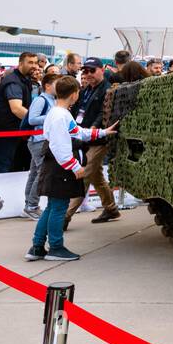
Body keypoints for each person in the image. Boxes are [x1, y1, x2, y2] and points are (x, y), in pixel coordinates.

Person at [26, 76, 117, 262]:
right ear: (75, 94)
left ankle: (37, 246)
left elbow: (78, 132)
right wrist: (75, 166)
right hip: (60, 168)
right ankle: (56, 247)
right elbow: (60, 147)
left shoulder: (59, 112)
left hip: (57, 165)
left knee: (52, 207)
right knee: (58, 208)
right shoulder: (61, 115)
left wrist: (102, 132)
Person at [65, 62, 118, 226]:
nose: (88, 74)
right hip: (84, 137)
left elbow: (104, 113)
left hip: (98, 139)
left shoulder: (107, 90)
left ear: (102, 70)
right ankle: (111, 208)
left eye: (91, 70)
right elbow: (77, 111)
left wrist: (93, 128)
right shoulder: (86, 90)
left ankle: (65, 216)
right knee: (96, 176)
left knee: (84, 175)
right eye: (85, 71)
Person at [0, 51, 39, 174]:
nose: (34, 66)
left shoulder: (24, 79)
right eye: (30, 62)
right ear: (20, 63)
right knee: (3, 165)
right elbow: (16, 109)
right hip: (6, 131)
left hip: (14, 131)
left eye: (35, 63)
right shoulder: (14, 81)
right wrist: (37, 121)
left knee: (11, 165)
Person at [22, 72, 61, 219]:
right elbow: (32, 119)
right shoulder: (41, 100)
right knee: (40, 173)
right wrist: (53, 115)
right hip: (38, 140)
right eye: (57, 84)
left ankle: (30, 205)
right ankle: (31, 205)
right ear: (48, 85)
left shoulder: (50, 100)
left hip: (40, 140)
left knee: (35, 173)